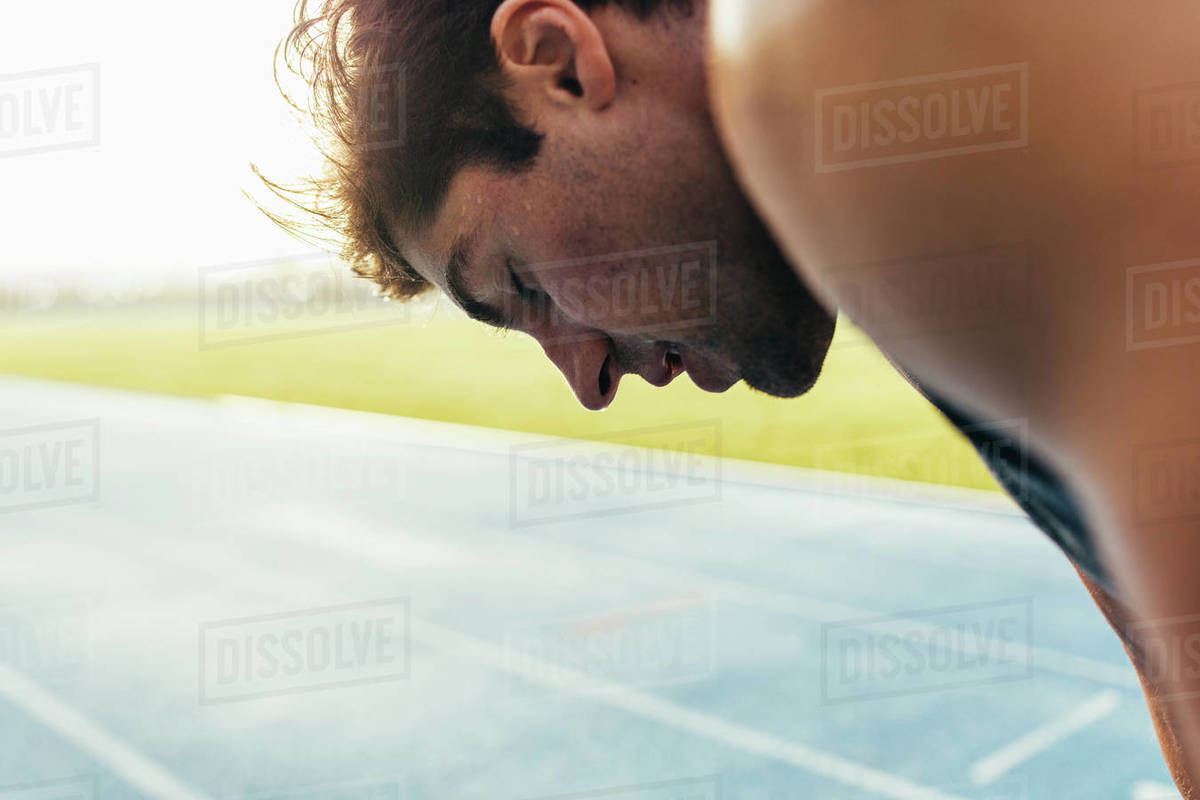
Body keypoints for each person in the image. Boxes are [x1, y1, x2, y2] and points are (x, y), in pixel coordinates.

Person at [271, 0, 1200, 793]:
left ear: (560, 60)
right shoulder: (869, 203)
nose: (585, 382)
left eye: (526, 289)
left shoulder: (844, 56)